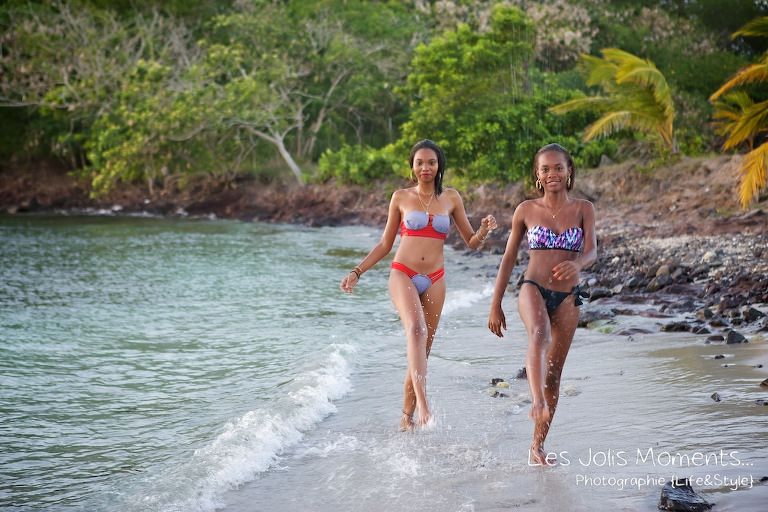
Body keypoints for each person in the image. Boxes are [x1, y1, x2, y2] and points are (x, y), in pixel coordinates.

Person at [341, 139, 497, 430]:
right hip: (403, 273)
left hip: (436, 278)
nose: (426, 167)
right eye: (420, 163)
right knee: (416, 329)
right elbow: (385, 243)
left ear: (439, 166)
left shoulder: (451, 198)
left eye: (431, 162)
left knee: (421, 349)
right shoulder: (400, 197)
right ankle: (425, 406)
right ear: (412, 167)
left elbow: (471, 242)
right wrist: (357, 271)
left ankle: (406, 417)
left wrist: (485, 230)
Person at [487, 143, 596, 465]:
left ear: (569, 170)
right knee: (538, 334)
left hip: (569, 295)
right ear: (537, 174)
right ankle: (535, 401)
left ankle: (536, 447)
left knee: (555, 374)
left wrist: (579, 265)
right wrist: (495, 304)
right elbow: (508, 259)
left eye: (558, 168)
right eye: (545, 169)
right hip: (531, 285)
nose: (552, 174)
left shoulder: (584, 209)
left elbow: (592, 251)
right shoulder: (525, 210)